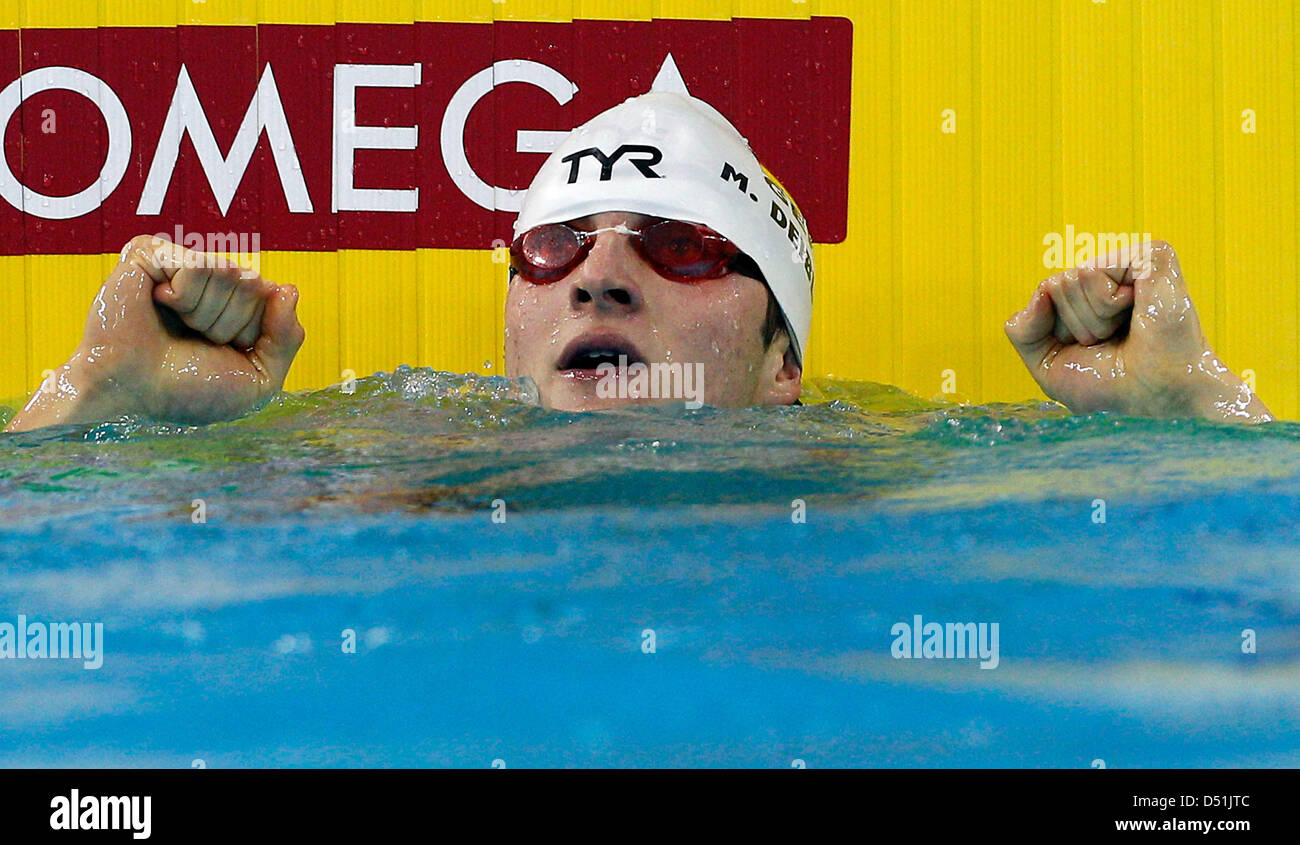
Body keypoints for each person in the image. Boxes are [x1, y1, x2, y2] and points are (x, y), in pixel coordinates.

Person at [2, 91, 1272, 432]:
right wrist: (91, 408)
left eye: (675, 246)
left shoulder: (864, 494)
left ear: (785, 360)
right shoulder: (389, 472)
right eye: (552, 248)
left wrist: (1188, 416)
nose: (597, 278)